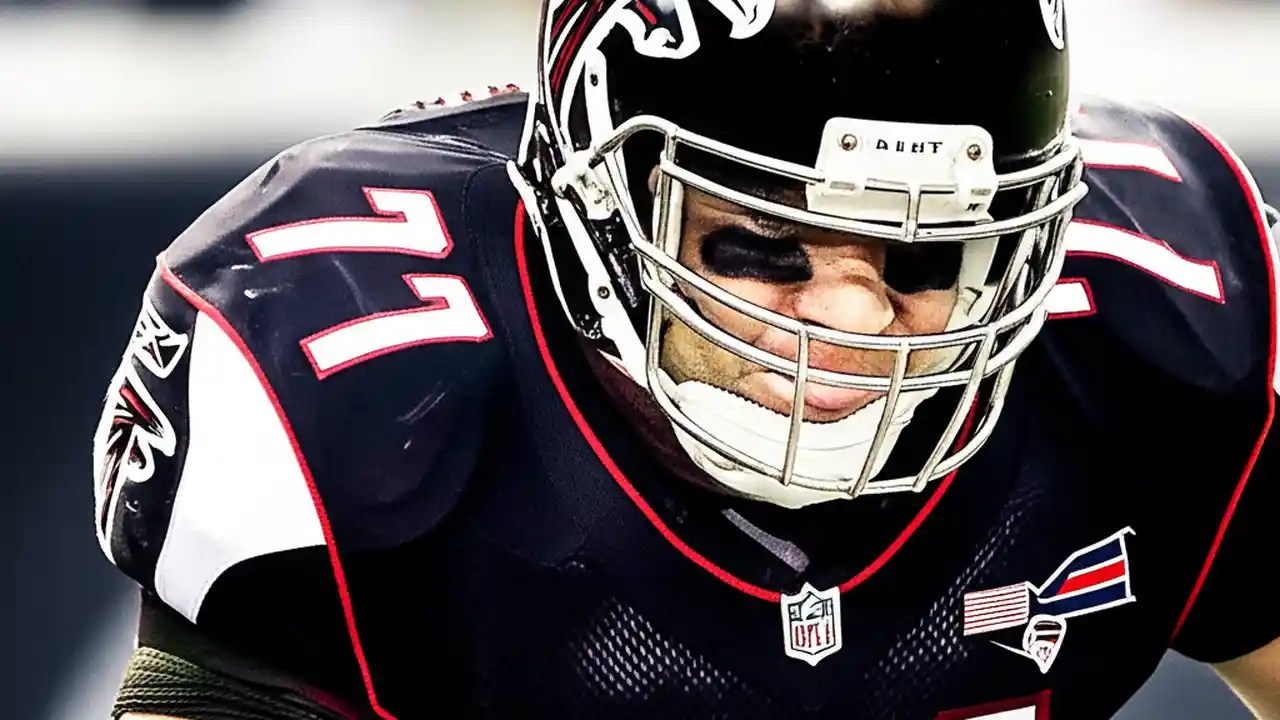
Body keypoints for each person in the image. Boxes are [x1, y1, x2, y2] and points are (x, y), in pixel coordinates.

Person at [92, 1, 1280, 718]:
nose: (851, 321)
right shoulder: (350, 358)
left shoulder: (1164, 317)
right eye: (762, 244)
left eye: (923, 255)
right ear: (598, 199)